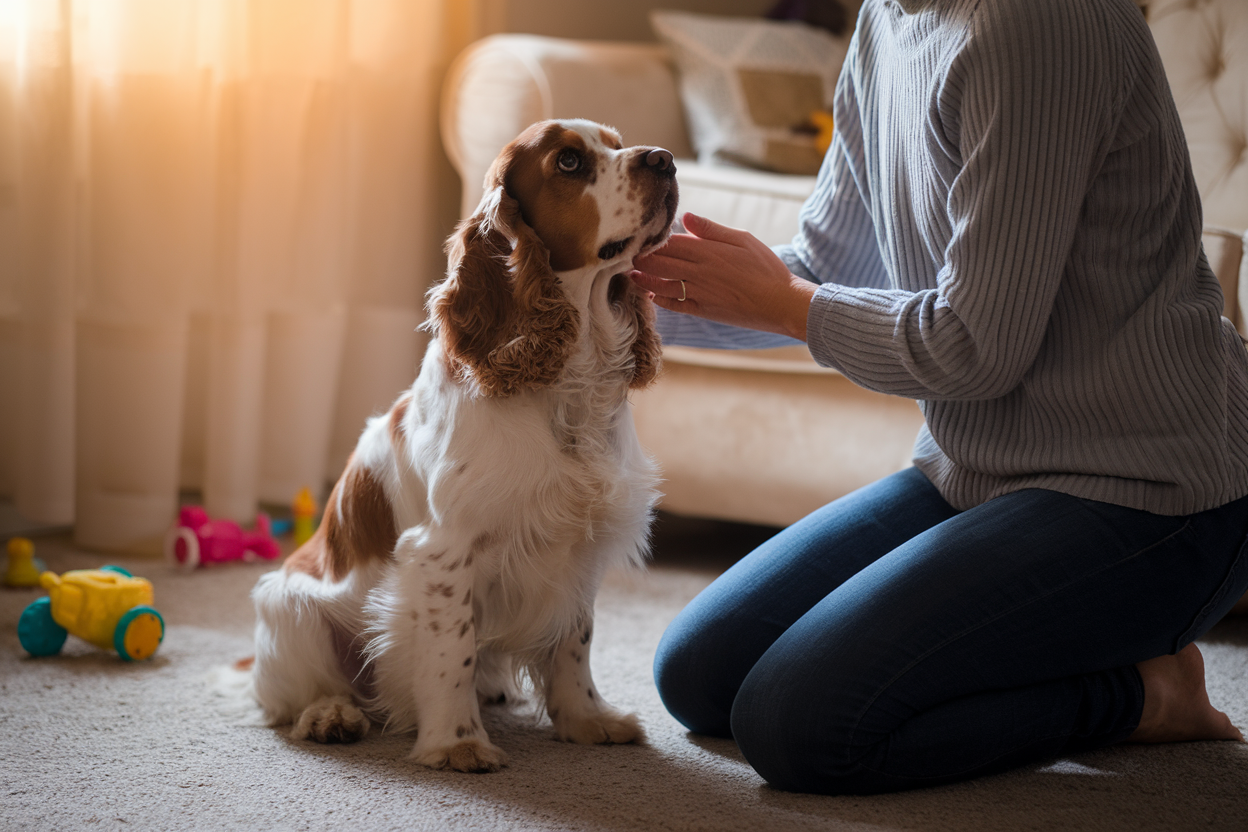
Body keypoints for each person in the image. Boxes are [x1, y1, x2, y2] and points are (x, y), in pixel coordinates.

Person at [628, 0, 1248, 795]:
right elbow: (827, 263)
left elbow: (974, 348)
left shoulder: (1035, 27)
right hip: (976, 472)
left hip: (1156, 493)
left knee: (802, 726)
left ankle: (1139, 696)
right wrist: (615, 307)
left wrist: (783, 304)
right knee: (700, 674)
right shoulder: (889, 15)